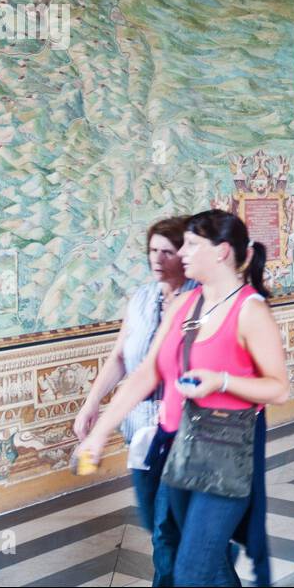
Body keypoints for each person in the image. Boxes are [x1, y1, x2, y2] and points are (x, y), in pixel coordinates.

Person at [76, 210, 289, 586]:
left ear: (222, 251)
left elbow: (278, 388)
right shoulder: (184, 307)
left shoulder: (250, 310)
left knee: (192, 570)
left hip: (223, 454)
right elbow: (145, 373)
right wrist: (99, 432)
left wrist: (220, 381)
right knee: (187, 555)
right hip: (177, 449)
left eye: (192, 244)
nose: (182, 253)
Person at [72, 217, 199, 532]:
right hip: (141, 430)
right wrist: (92, 404)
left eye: (167, 251)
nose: (157, 258)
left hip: (189, 431)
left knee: (174, 529)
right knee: (157, 525)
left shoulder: (202, 300)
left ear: (185, 254)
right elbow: (121, 357)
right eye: (153, 250)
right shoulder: (141, 299)